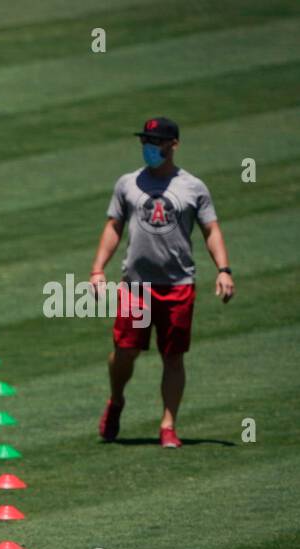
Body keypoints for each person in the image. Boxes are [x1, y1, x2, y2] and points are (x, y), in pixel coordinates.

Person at [91, 116, 235, 448]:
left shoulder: (193, 187)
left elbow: (211, 230)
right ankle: (116, 401)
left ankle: (168, 425)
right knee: (124, 352)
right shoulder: (127, 184)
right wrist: (98, 269)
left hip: (178, 284)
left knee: (173, 356)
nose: (148, 148)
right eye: (145, 141)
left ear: (173, 145)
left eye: (155, 142)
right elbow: (113, 227)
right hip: (136, 285)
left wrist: (224, 270)